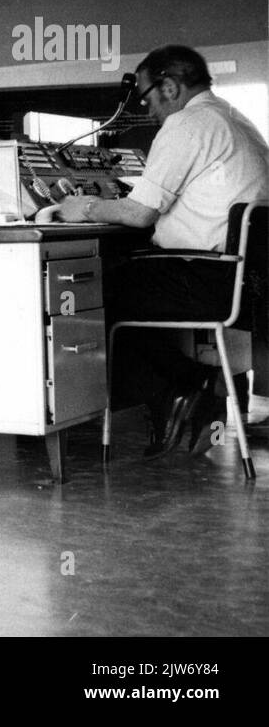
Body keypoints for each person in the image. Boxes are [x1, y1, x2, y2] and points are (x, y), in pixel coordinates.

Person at [58, 45, 269, 456]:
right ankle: (189, 389)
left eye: (146, 96)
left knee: (94, 292)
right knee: (120, 282)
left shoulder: (187, 124)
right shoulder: (236, 121)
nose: (147, 108)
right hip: (245, 283)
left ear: (169, 87)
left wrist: (79, 207)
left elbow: (138, 214)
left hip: (203, 279)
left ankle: (186, 385)